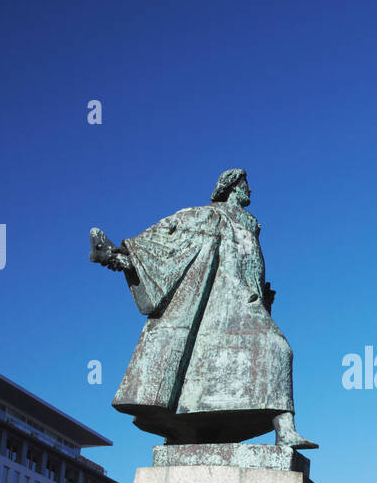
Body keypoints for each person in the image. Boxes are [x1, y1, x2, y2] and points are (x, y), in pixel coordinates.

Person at [91, 169, 316, 448]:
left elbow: (251, 261)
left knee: (225, 361)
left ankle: (275, 429)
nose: (250, 190)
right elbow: (173, 230)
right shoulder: (211, 214)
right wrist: (130, 252)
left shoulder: (250, 221)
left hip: (245, 298)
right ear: (231, 187)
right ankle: (283, 429)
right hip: (222, 296)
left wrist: (261, 295)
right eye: (246, 185)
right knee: (278, 348)